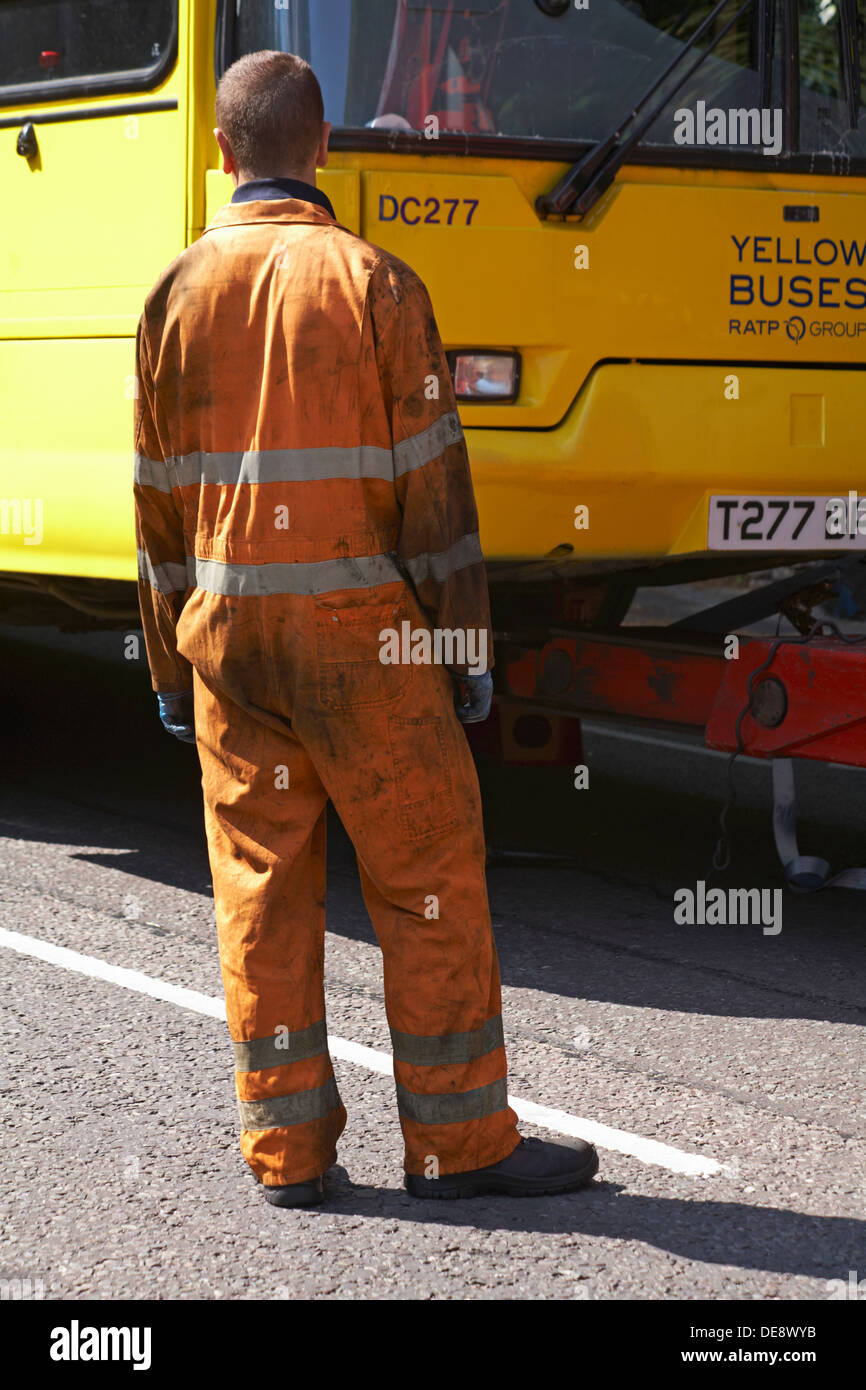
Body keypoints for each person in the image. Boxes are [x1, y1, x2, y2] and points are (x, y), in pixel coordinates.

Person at [133, 50, 598, 1207]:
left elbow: (154, 503)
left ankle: (287, 1153)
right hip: (364, 635)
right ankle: (456, 1146)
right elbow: (436, 501)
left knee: (259, 885)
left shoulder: (173, 294)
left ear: (223, 151)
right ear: (325, 142)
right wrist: (462, 647)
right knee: (426, 873)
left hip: (228, 636)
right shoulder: (379, 285)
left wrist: (163, 661)